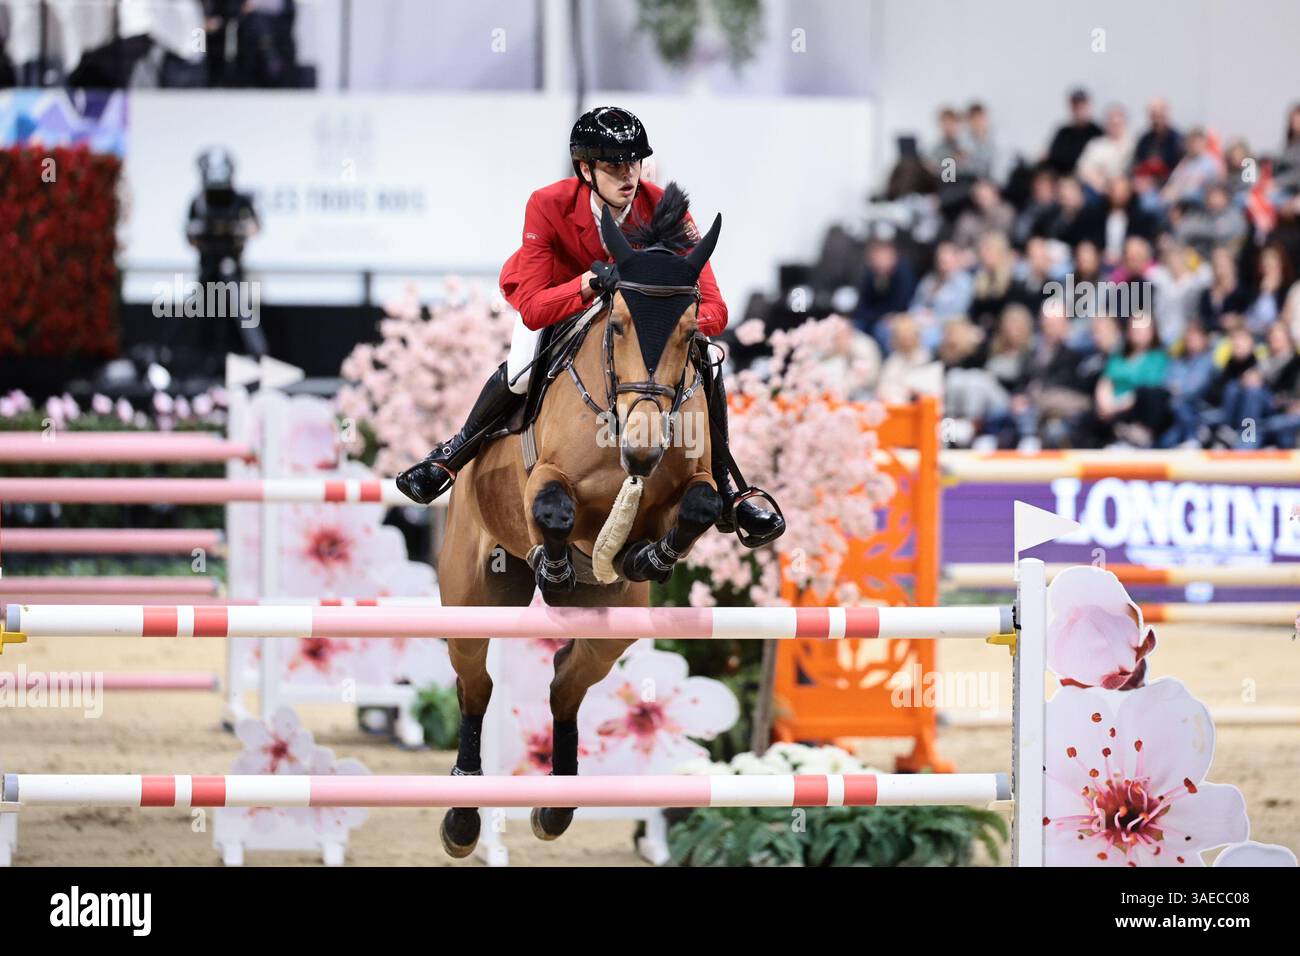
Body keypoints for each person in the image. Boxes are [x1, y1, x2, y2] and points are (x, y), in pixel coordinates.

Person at [396, 107, 784, 547]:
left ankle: (728, 487)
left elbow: (715, 307)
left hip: (635, 325)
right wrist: (585, 286)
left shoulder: (666, 210)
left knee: (709, 362)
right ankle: (452, 455)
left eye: (634, 164)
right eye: (614, 166)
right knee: (522, 368)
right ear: (585, 169)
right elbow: (533, 307)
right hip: (560, 302)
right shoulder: (548, 205)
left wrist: (677, 322)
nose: (628, 176)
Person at [853, 236, 916, 350]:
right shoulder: (871, 275)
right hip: (874, 317)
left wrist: (877, 316)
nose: (879, 261)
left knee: (883, 330)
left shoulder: (903, 273)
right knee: (857, 325)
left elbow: (900, 305)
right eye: (875, 258)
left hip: (899, 317)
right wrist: (874, 316)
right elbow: (862, 305)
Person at [1045, 89, 1103, 176]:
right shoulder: (1063, 132)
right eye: (1076, 107)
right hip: (1065, 179)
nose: (1079, 111)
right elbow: (1054, 157)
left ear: (1088, 107)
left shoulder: (1097, 132)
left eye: (1082, 106)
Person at [1132, 99, 1184, 177]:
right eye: (1154, 117)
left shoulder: (1177, 140)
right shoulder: (1144, 140)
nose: (1157, 121)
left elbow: (1181, 168)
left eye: (1160, 116)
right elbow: (1137, 164)